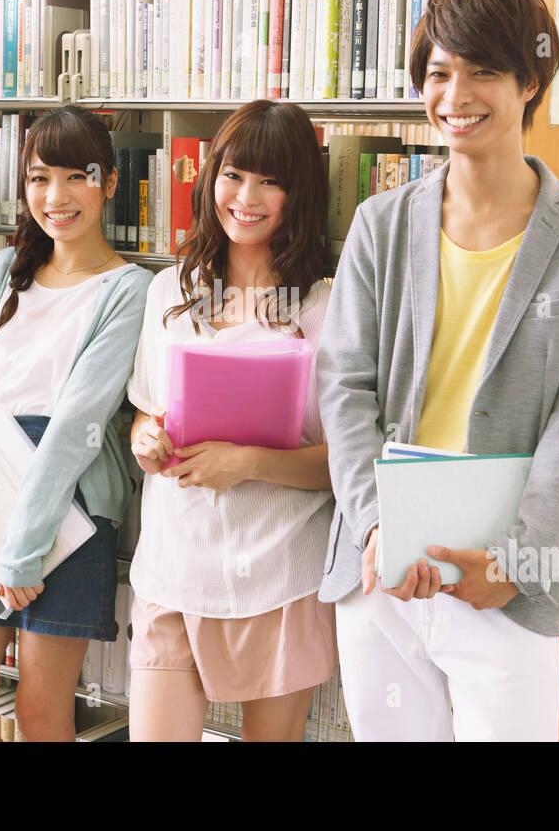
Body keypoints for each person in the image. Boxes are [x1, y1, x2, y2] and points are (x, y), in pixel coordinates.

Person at [317, 0, 559, 741]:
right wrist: (374, 527)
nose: (456, 94)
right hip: (385, 567)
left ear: (530, 82)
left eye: (483, 71)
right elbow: (345, 387)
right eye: (439, 72)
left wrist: (518, 560)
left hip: (508, 582)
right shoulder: (379, 224)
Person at [0, 105, 152, 741]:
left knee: (42, 717)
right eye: (41, 177)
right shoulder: (3, 271)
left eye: (78, 176)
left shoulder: (131, 288)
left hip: (67, 509)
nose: (57, 196)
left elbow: (79, 424)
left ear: (109, 182)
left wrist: (24, 549)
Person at [126, 99, 336, 742]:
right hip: (174, 564)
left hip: (278, 570)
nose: (247, 197)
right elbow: (143, 412)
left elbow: (345, 463)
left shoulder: (326, 307)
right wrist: (146, 440)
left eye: (271, 181)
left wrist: (247, 463)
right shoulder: (170, 292)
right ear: (209, 176)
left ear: (299, 195)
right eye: (234, 175)